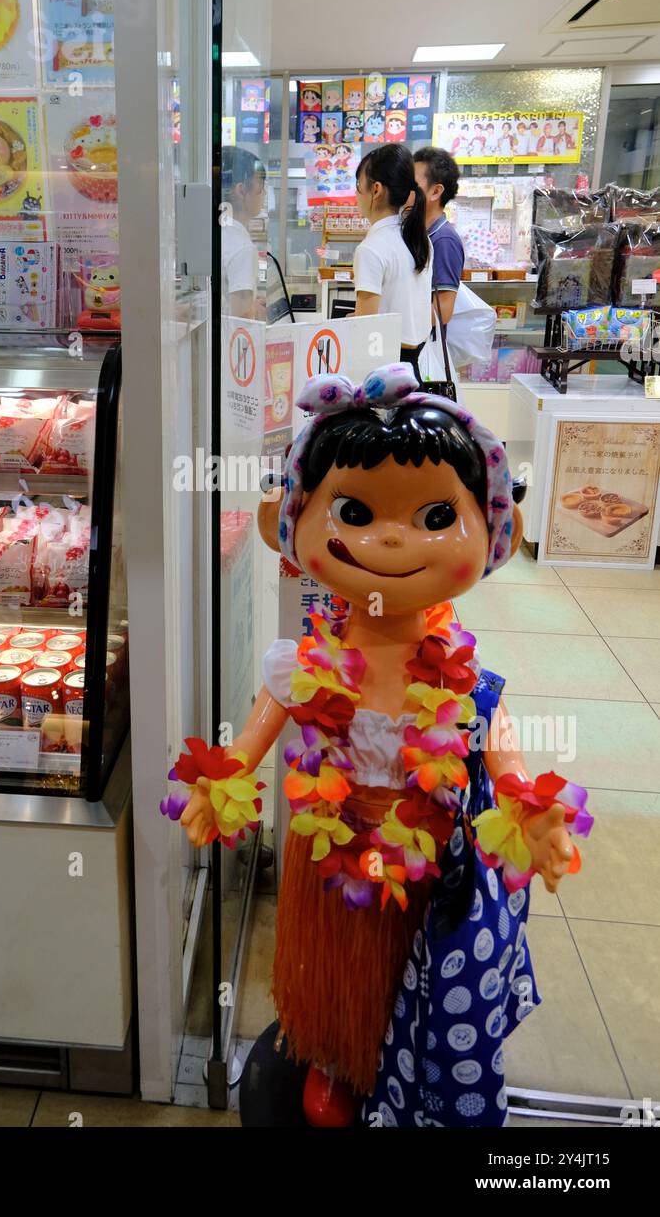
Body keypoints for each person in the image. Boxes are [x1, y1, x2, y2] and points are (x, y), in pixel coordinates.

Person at [168, 364, 592, 1128]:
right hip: (327, 853)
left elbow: (505, 756)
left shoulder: (463, 681)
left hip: (422, 852)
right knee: (333, 974)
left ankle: (406, 1065)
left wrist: (534, 816)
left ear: (495, 535)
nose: (392, 539)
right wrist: (219, 783)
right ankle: (337, 1060)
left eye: (436, 517)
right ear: (287, 526)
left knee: (408, 971)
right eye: (355, 511)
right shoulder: (299, 667)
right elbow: (256, 734)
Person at [352, 144, 432, 374]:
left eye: (358, 185)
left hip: (383, 370)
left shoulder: (371, 249)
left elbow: (367, 332)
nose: (356, 194)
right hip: (414, 365)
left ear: (375, 190)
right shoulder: (419, 240)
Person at [414, 145, 465, 327]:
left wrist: (394, 323)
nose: (405, 191)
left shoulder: (444, 239)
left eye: (413, 185)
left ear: (435, 191)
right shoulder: (420, 232)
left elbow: (442, 309)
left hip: (422, 347)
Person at [221, 145, 266, 319]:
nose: (263, 194)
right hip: (228, 344)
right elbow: (241, 319)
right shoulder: (242, 247)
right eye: (260, 187)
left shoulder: (217, 232)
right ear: (241, 190)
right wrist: (256, 310)